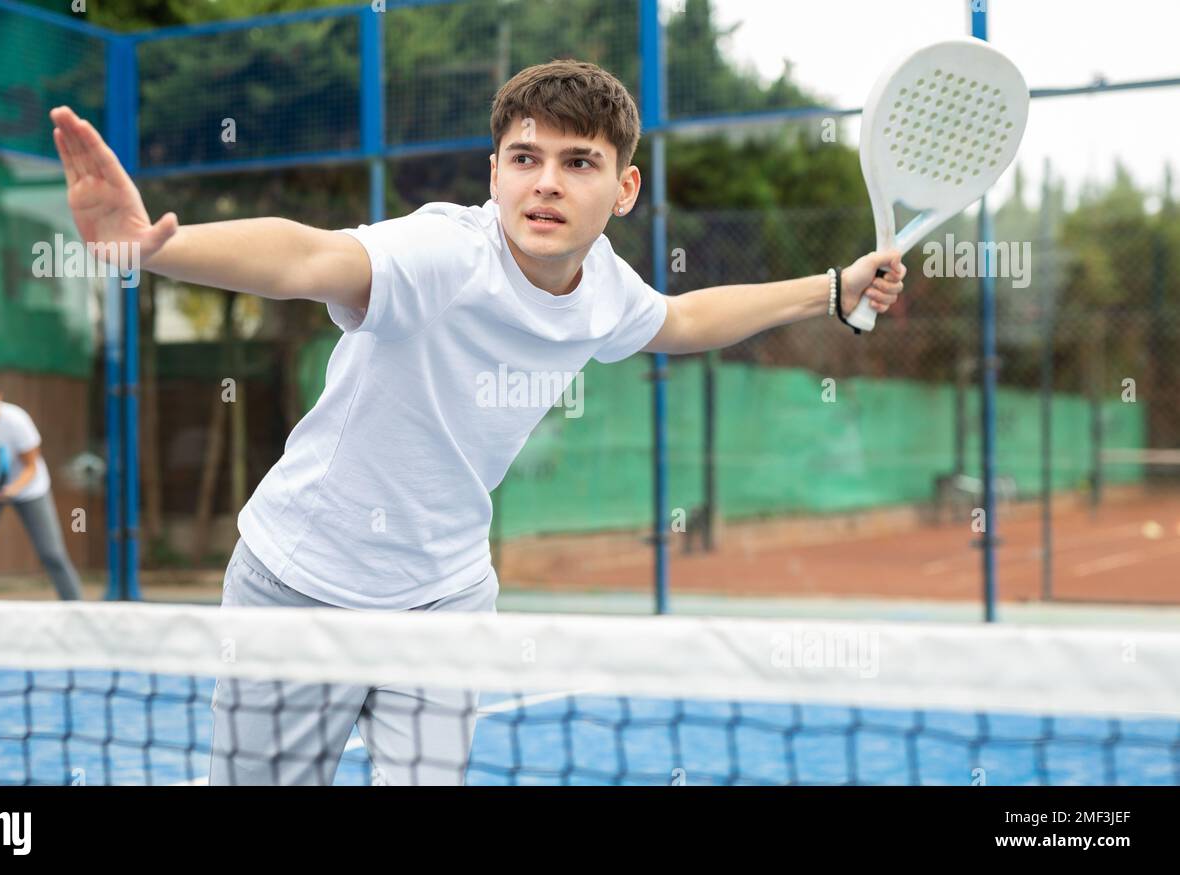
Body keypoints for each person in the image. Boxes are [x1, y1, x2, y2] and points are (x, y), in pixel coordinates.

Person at [48, 59, 905, 785]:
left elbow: (681, 320)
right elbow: (309, 256)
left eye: (578, 163)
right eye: (524, 158)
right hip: (301, 582)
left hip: (446, 595)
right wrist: (159, 246)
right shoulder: (442, 255)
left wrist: (831, 289)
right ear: (493, 173)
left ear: (624, 188)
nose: (546, 183)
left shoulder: (604, 286)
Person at [0, 370, 84, 601]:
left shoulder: (17, 421)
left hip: (30, 489)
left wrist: (12, 490)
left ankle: (77, 609)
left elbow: (31, 465)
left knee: (52, 553)